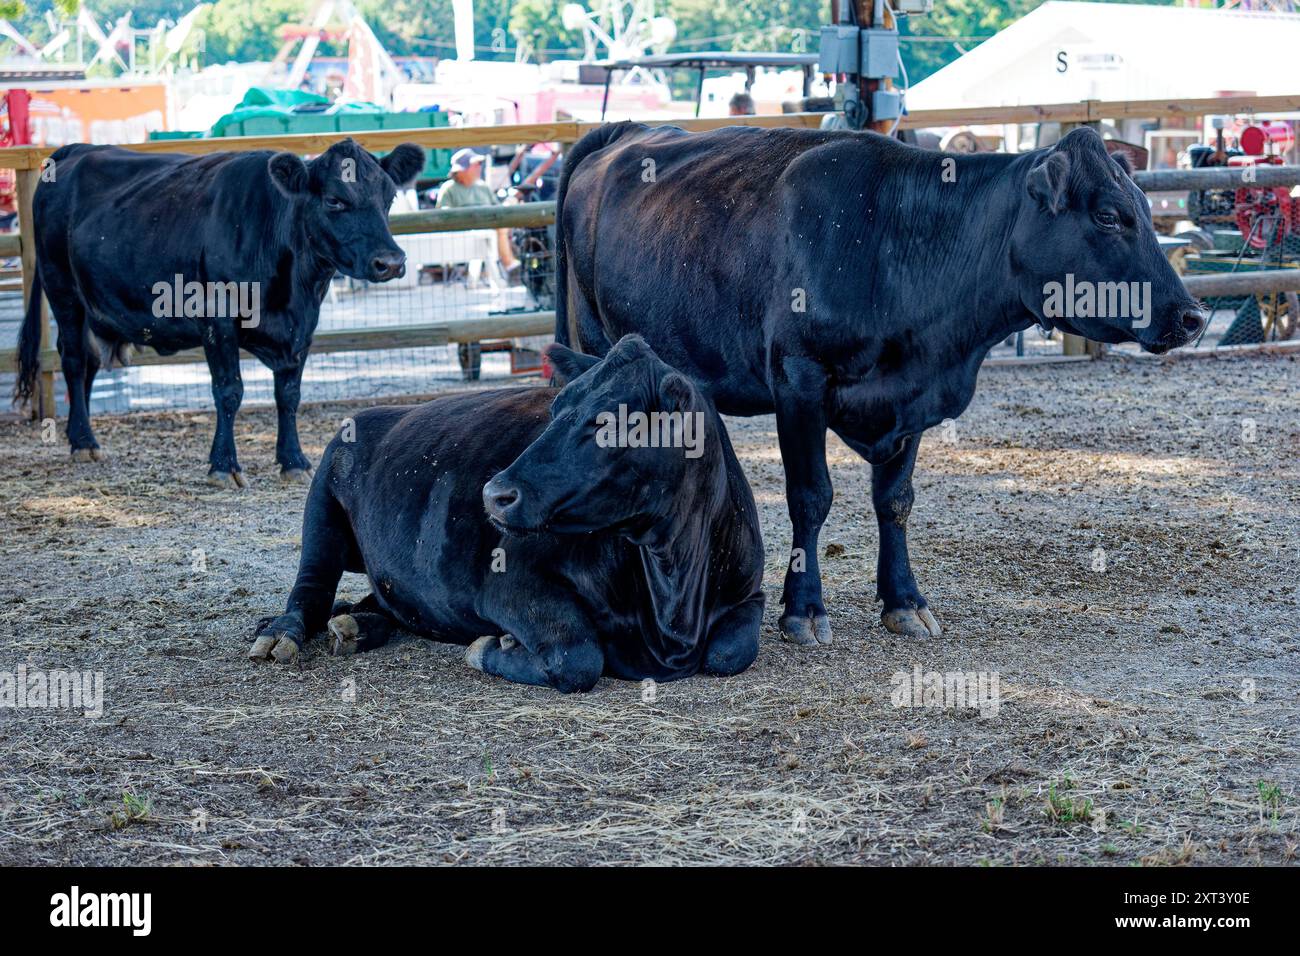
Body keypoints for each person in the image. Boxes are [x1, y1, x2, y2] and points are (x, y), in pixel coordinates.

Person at [436, 147, 519, 277]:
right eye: (475, 165)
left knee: (503, 226)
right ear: (462, 170)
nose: (479, 168)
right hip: (461, 238)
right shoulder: (448, 189)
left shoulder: (482, 186)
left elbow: (498, 209)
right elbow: (443, 216)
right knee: (500, 230)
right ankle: (508, 263)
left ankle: (508, 265)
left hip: (488, 233)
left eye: (479, 164)